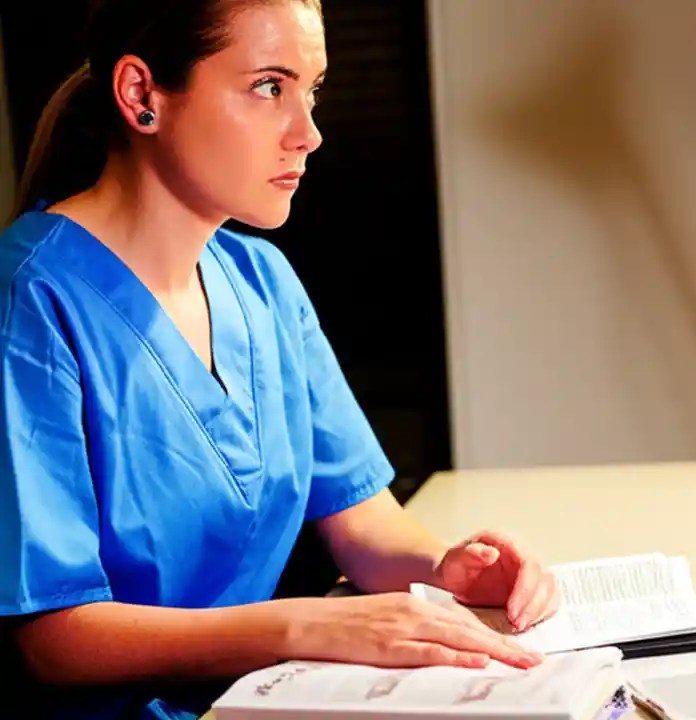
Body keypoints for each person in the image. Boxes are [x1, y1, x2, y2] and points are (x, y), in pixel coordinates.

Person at [0, 1, 561, 717]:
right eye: (269, 87)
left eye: (313, 90)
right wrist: (305, 626)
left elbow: (364, 526)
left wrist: (449, 571)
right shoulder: (30, 302)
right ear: (142, 96)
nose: (309, 133)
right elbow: (54, 637)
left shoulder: (262, 281)